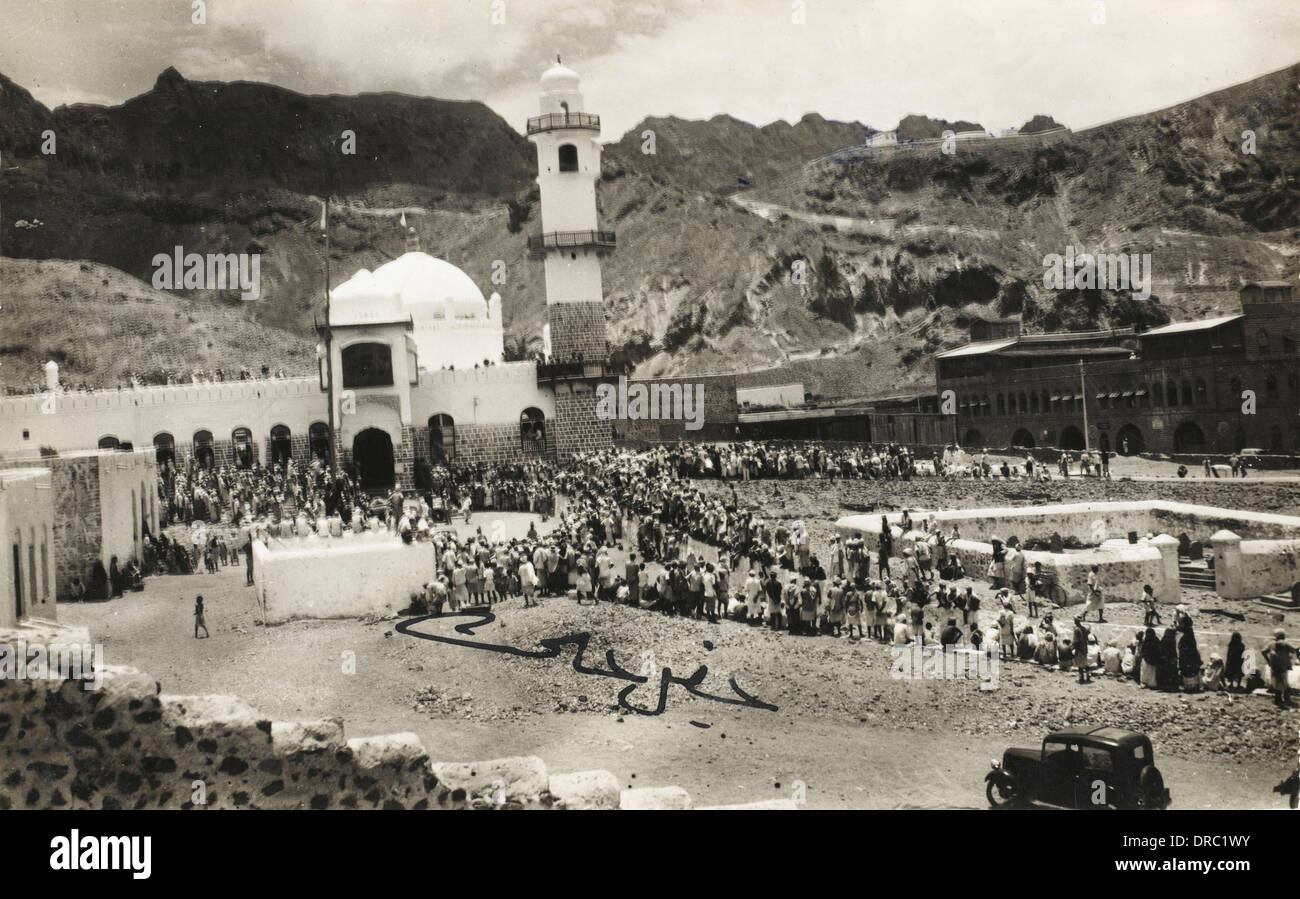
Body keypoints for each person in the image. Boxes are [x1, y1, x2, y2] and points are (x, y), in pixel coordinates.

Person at [1264, 629, 1296, 705]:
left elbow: (1263, 651)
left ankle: (1280, 698)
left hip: (1274, 666)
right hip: (1283, 666)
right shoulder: (1285, 644)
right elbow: (1294, 650)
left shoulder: (1271, 644)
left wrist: (1268, 661)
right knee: (1284, 681)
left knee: (1277, 681)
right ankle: (1282, 698)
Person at [1073, 618, 1092, 683]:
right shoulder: (1084, 628)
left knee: (1080, 665)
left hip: (1079, 649)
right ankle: (1088, 676)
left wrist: (1073, 648)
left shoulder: (1076, 630)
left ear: (1075, 622)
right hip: (1084, 647)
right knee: (1085, 662)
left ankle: (1081, 679)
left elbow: (1076, 641)